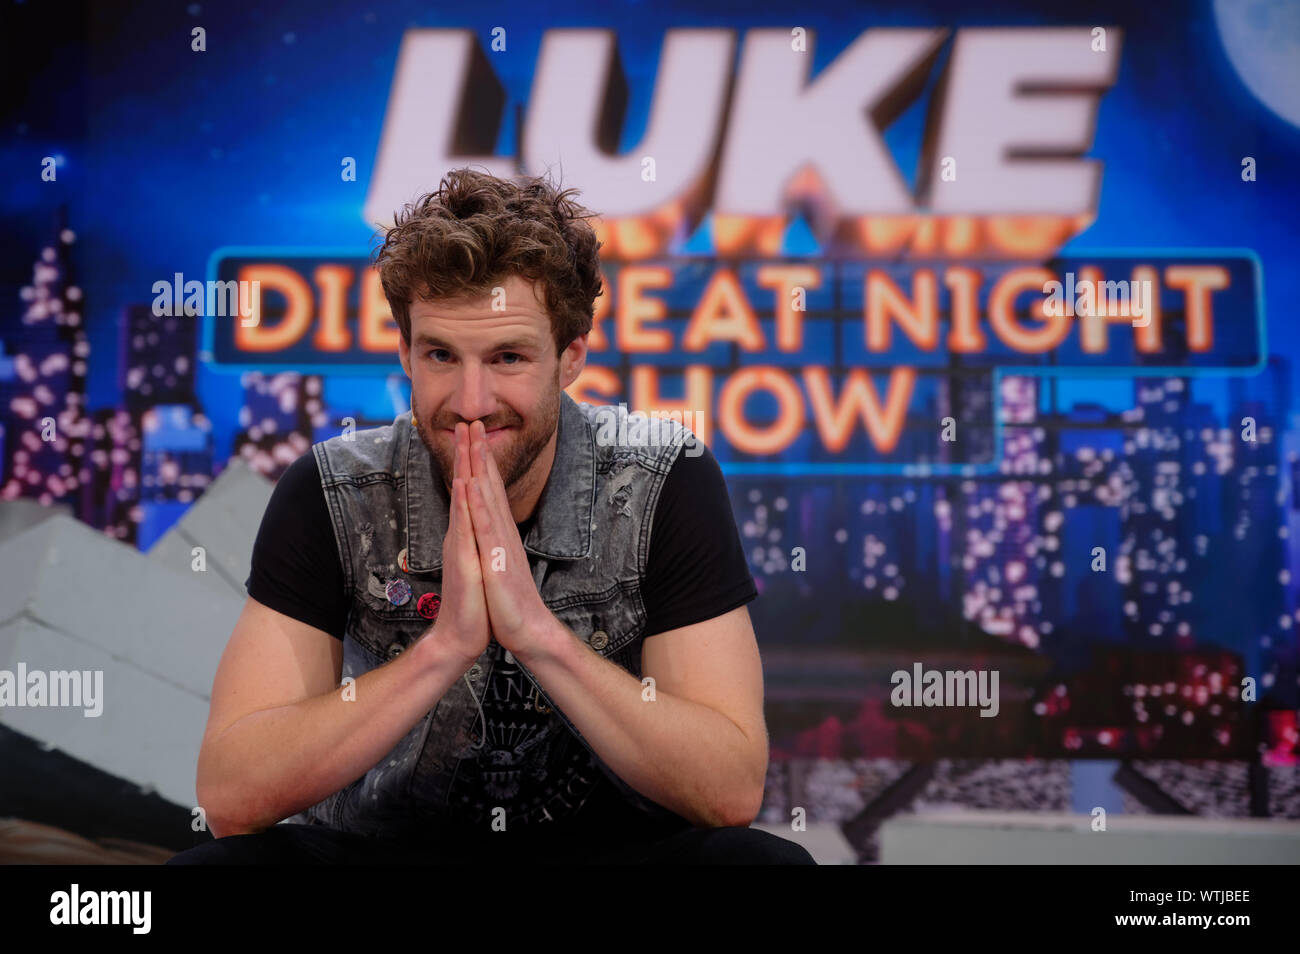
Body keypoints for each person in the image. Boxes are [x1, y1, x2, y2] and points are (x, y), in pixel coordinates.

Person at [168, 168, 814, 865]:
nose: (471, 401)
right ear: (404, 354)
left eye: (508, 357)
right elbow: (230, 796)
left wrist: (536, 634)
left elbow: (728, 790)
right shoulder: (331, 492)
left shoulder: (664, 479)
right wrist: (446, 647)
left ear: (570, 359)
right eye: (441, 355)